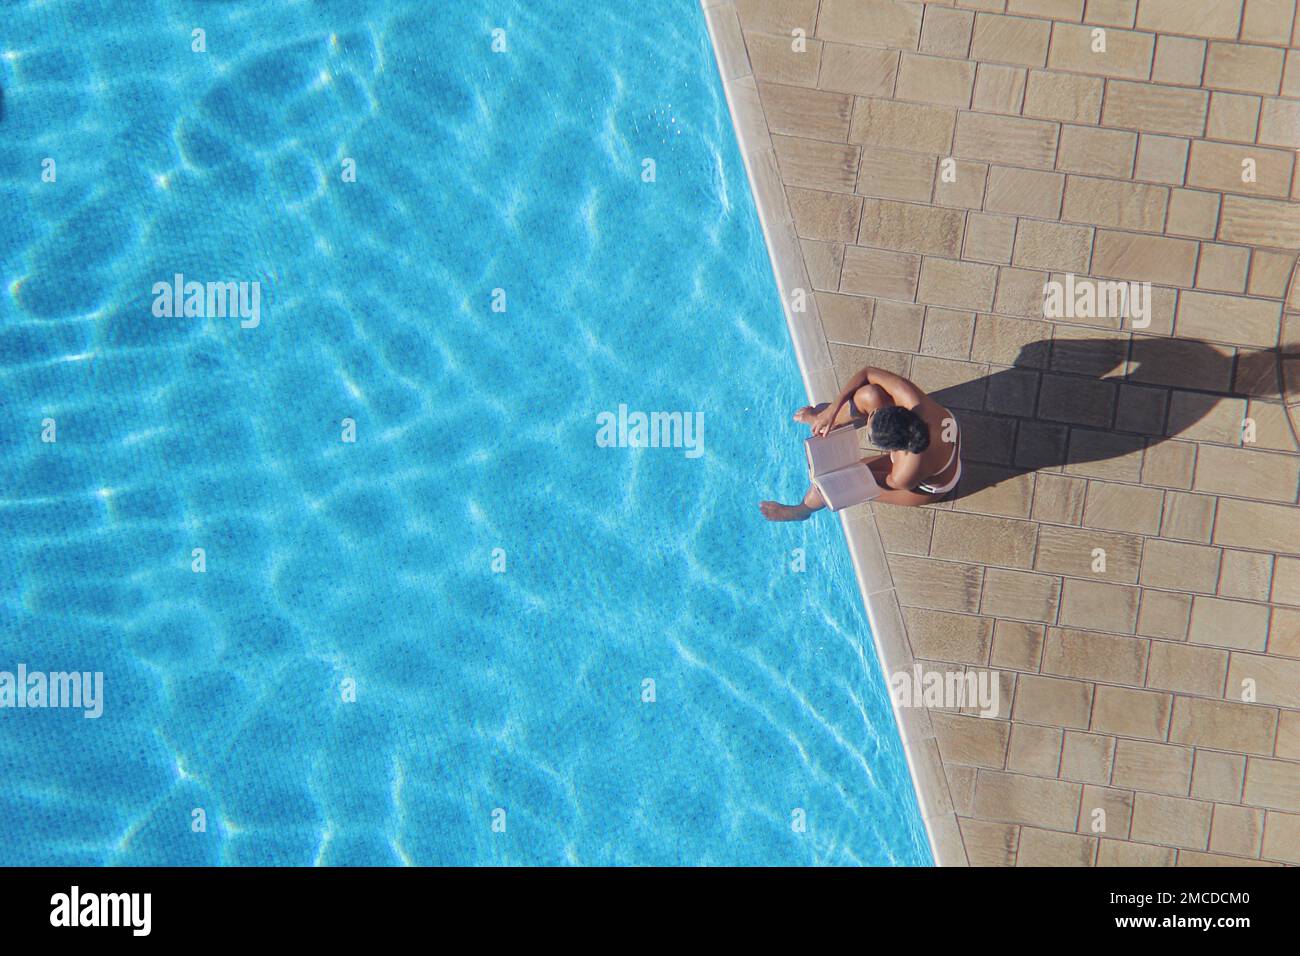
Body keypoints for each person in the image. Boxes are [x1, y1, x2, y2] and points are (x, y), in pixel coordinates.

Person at [759, 365, 960, 520]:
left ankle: (800, 511)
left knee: (832, 484)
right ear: (898, 410)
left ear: (894, 450)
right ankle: (825, 420)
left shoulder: (904, 473)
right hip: (937, 442)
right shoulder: (910, 397)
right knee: (869, 395)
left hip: (926, 487)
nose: (868, 418)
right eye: (873, 415)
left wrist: (842, 479)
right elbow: (868, 372)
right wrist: (831, 410)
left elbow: (882, 482)